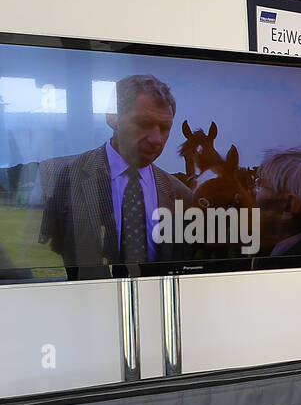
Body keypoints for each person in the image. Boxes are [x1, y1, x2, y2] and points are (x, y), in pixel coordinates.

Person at [40, 74, 194, 269]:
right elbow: (41, 257)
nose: (157, 139)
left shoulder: (181, 195)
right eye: (144, 123)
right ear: (112, 118)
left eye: (165, 128)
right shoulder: (60, 176)